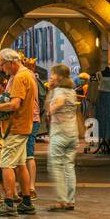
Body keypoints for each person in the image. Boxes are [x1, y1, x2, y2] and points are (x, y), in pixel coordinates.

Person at [0, 48, 41, 215]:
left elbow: (15, 104)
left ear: (11, 62)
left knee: (6, 164)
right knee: (21, 164)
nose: (2, 69)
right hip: (23, 126)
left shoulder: (20, 77)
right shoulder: (27, 75)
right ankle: (26, 202)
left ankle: (9, 203)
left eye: (2, 65)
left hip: (16, 127)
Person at [45, 63, 79, 211]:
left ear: (58, 76)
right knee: (69, 166)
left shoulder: (58, 91)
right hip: (72, 133)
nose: (50, 76)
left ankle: (61, 200)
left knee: (56, 166)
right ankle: (70, 200)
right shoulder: (71, 91)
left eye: (52, 74)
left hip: (60, 134)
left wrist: (51, 104)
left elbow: (53, 107)